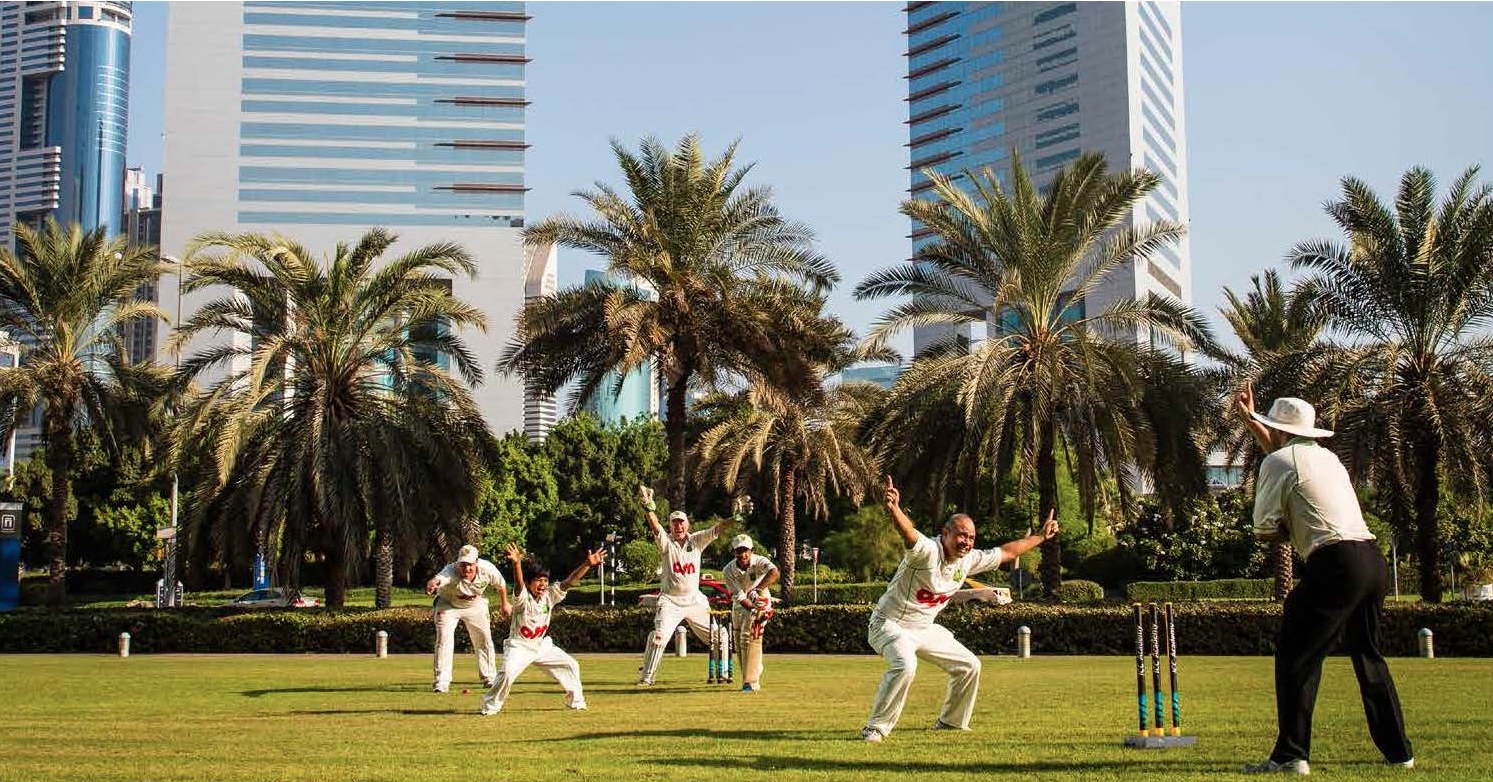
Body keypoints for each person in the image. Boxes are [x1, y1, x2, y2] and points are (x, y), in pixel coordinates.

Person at [1236, 384, 1414, 774]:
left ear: (1279, 430)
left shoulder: (1277, 463)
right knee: (1368, 656)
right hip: (1371, 560)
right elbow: (1288, 460)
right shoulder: (1328, 460)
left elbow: (1266, 530)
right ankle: (1400, 753)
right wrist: (1253, 422)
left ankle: (1291, 755)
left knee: (1295, 654)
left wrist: (1287, 528)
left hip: (1334, 563)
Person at [861, 475, 1058, 743]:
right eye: (961, 535)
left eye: (971, 537)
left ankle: (951, 723)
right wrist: (895, 509)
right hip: (889, 624)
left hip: (924, 628)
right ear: (945, 534)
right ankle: (875, 728)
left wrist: (1041, 537)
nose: (966, 541)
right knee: (906, 665)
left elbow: (1007, 552)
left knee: (969, 665)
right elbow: (908, 534)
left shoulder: (969, 560)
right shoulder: (927, 551)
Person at [479, 543, 604, 715]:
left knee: (571, 665)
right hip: (519, 646)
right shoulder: (522, 598)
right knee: (507, 673)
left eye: (545, 580)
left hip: (541, 645)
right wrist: (516, 564)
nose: (543, 584)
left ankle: (576, 702)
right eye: (538, 580)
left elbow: (569, 582)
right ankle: (490, 706)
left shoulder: (549, 596)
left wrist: (587, 565)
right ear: (530, 583)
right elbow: (518, 585)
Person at [636, 485, 737, 686]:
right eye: (674, 524)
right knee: (658, 638)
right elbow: (655, 527)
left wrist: (736, 518)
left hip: (694, 600)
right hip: (670, 601)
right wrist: (649, 508)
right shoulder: (666, 543)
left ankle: (724, 673)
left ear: (687, 525)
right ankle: (647, 678)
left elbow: (717, 529)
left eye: (681, 523)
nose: (678, 527)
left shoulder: (697, 540)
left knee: (720, 636)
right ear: (671, 526)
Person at [425, 544, 511, 694]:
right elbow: (439, 579)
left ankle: (489, 678)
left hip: (475, 604)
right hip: (448, 604)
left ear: (476, 562)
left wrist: (505, 604)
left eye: (470, 565)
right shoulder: (450, 571)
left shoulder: (487, 569)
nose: (467, 569)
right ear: (458, 563)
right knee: (444, 639)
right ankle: (442, 682)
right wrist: (432, 583)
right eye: (463, 565)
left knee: (484, 639)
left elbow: (501, 585)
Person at [720, 533, 779, 692]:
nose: (743, 554)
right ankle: (748, 677)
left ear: (751, 550)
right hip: (741, 606)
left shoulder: (759, 561)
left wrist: (758, 590)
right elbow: (739, 597)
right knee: (739, 643)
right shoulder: (728, 570)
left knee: (749, 638)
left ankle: (752, 680)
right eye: (739, 551)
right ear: (734, 552)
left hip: (760, 602)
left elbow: (774, 572)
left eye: (745, 550)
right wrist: (751, 607)